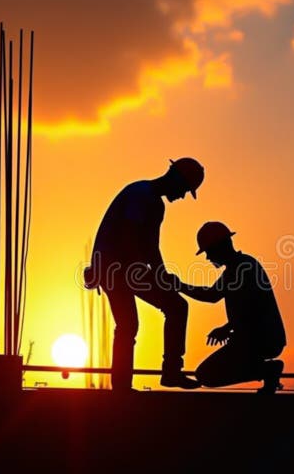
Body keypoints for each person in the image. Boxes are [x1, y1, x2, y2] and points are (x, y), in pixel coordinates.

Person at [84, 158, 204, 391]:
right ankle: (144, 380)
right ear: (176, 179)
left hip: (121, 268)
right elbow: (132, 239)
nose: (181, 196)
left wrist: (160, 274)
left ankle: (140, 380)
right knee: (158, 314)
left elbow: (150, 246)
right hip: (118, 269)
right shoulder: (142, 195)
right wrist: (155, 275)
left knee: (140, 320)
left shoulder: (151, 200)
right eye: (184, 190)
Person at [174, 222, 286, 394]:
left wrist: (179, 286)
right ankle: (266, 370)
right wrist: (228, 328)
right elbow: (214, 295)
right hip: (257, 338)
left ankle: (266, 371)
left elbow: (249, 308)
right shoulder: (239, 267)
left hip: (258, 339)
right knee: (206, 374)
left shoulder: (242, 268)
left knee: (206, 375)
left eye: (209, 252)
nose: (208, 258)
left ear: (220, 247)